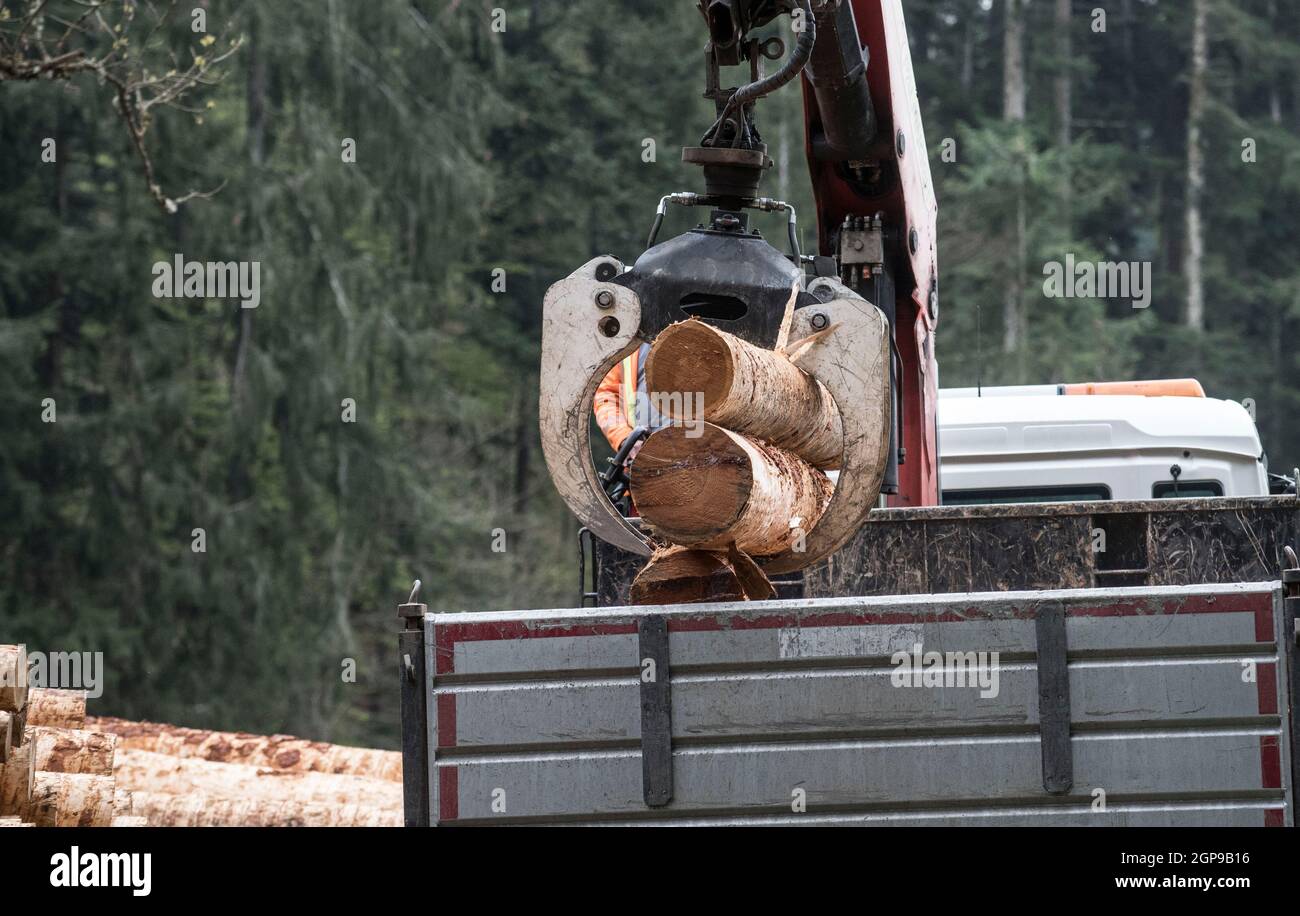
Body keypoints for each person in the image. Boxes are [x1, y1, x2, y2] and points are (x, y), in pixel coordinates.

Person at [593, 343, 667, 460]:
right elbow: (606, 398)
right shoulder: (625, 340)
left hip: (698, 453)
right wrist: (624, 437)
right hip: (644, 460)